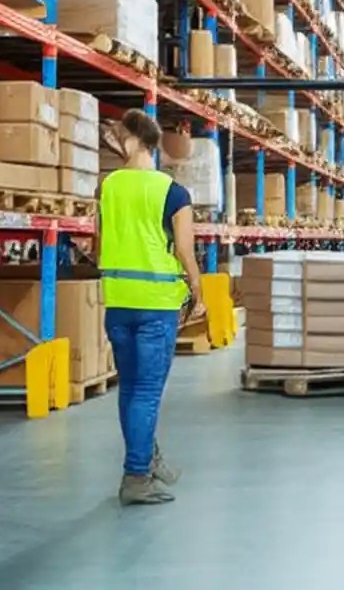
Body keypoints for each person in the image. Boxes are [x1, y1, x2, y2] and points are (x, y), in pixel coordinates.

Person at [97, 109, 203, 506]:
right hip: (156, 304)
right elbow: (185, 250)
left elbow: (97, 241)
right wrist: (198, 290)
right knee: (146, 392)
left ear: (132, 140)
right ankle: (136, 475)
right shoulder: (172, 192)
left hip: (118, 302)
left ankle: (147, 456)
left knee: (130, 389)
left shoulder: (108, 187)